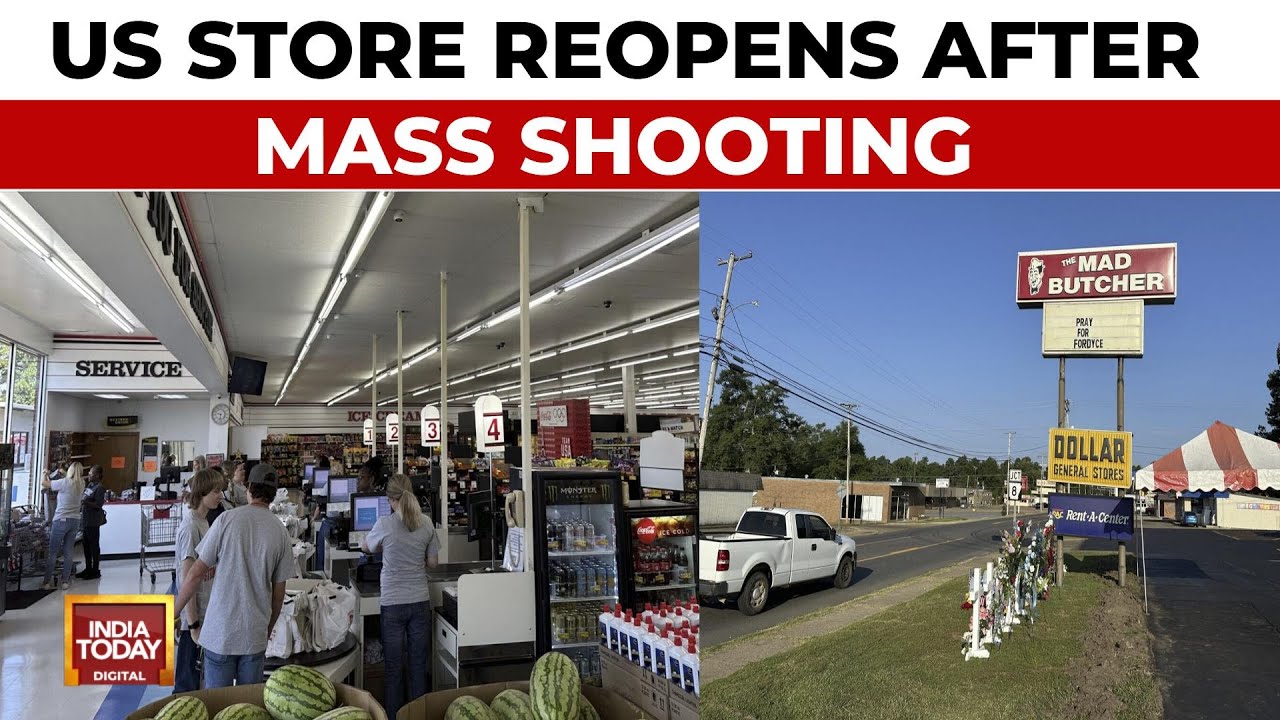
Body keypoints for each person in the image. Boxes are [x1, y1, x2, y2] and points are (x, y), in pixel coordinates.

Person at [175, 464, 293, 688]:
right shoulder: (280, 532)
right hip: (254, 635)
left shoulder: (226, 520)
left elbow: (194, 575)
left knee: (219, 705)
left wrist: (173, 614)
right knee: (248, 707)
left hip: (220, 632)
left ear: (248, 489)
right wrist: (266, 630)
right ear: (274, 493)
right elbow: (279, 595)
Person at [361, 473, 441, 718]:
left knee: (394, 669)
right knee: (418, 667)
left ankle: (394, 715)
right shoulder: (426, 523)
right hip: (419, 602)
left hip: (393, 604)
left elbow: (366, 547)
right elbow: (433, 562)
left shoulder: (384, 524)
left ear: (389, 499)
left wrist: (388, 546)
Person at [172, 469, 223, 693]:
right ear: (202, 493)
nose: (220, 495)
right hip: (193, 620)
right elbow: (188, 578)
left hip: (205, 612)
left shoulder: (204, 522)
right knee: (186, 685)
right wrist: (192, 625)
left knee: (197, 680)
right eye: (216, 491)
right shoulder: (191, 527)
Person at [41, 461, 85, 590]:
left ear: (70, 471)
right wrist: (63, 473)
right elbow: (71, 478)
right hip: (75, 520)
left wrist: (45, 473)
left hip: (61, 520)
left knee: (53, 552)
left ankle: (47, 582)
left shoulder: (65, 483)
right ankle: (65, 581)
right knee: (68, 552)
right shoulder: (81, 484)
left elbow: (45, 484)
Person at [77, 466, 107, 580]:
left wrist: (85, 503)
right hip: (85, 520)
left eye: (91, 474)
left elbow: (98, 505)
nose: (89, 476)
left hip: (93, 521)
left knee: (94, 546)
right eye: (89, 473)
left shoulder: (99, 488)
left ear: (98, 475)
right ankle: (88, 568)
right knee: (86, 545)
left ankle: (95, 570)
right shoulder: (90, 486)